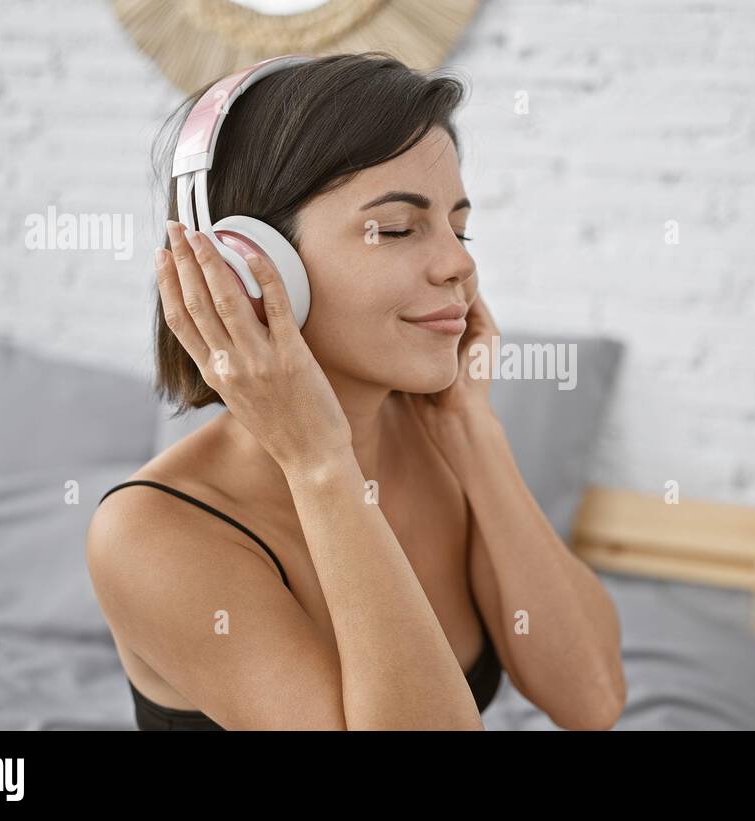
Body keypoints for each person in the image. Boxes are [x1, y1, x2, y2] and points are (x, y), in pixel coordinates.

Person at [85, 52, 625, 730]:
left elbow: (593, 698)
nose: (460, 262)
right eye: (398, 229)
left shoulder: (435, 438)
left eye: (461, 228)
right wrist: (319, 463)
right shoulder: (150, 534)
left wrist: (472, 432)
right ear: (246, 266)